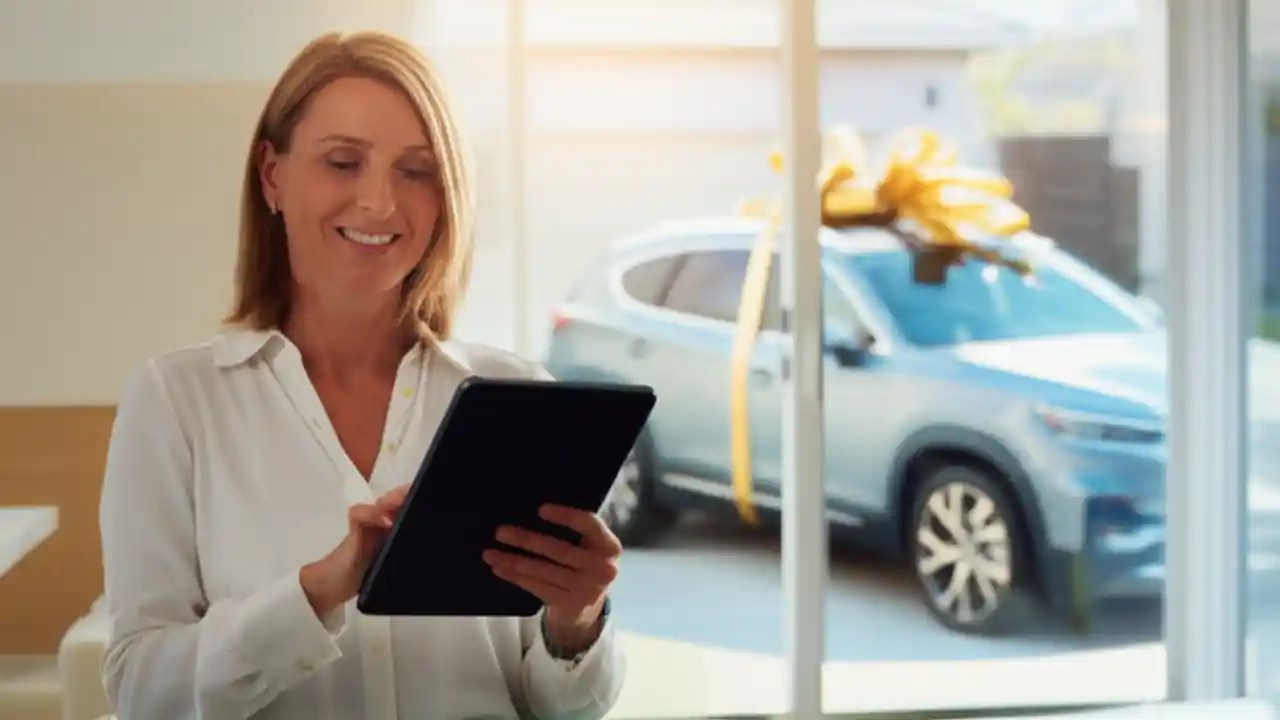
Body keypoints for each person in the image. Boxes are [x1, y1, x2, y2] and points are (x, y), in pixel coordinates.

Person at [98, 30, 625, 720]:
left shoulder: (522, 399)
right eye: (343, 162)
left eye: (417, 171)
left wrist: (577, 621)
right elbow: (142, 690)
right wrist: (315, 593)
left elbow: (568, 709)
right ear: (273, 177)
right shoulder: (175, 403)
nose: (380, 202)